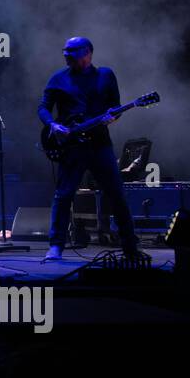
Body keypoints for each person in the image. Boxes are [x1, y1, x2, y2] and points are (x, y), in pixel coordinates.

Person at [37, 36, 139, 262]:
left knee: (117, 195)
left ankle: (130, 246)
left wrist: (113, 117)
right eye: (65, 50)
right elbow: (43, 107)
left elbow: (116, 106)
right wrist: (53, 125)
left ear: (88, 53)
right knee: (63, 196)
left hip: (100, 144)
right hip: (72, 147)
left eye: (72, 50)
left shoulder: (105, 75)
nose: (66, 54)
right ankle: (55, 246)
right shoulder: (58, 78)